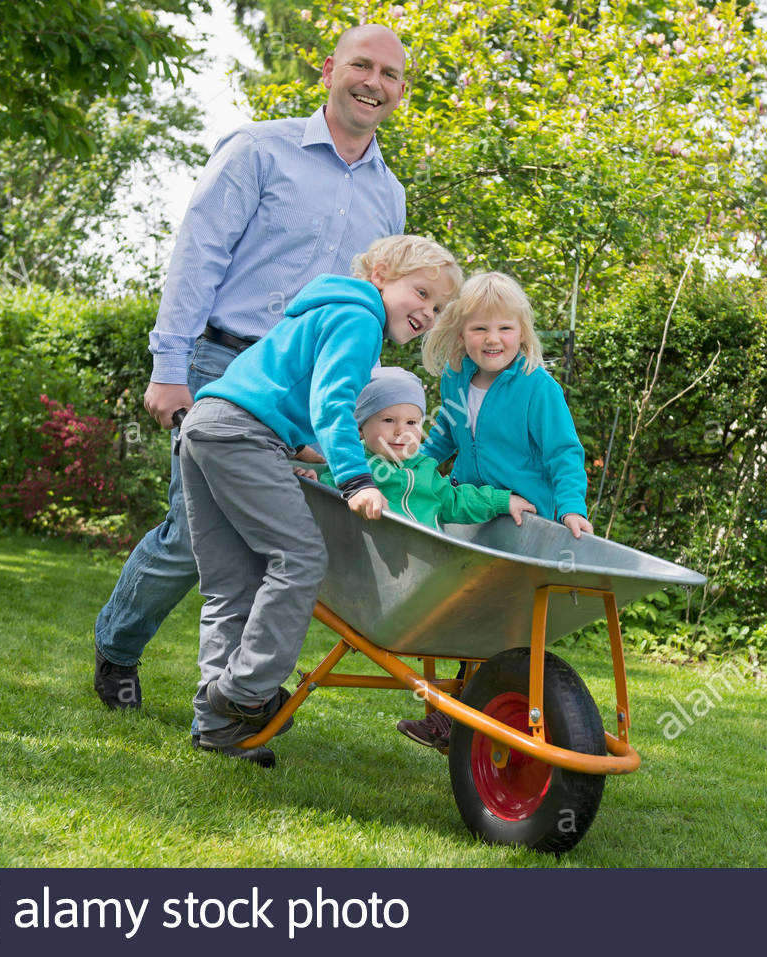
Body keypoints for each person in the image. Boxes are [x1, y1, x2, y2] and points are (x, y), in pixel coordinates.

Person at [93, 23, 410, 711]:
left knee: (267, 549)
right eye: (361, 65)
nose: (373, 83)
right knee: (190, 537)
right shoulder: (258, 150)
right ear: (328, 69)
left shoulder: (391, 196)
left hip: (301, 393)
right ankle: (118, 646)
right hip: (220, 367)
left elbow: (372, 318)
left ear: (400, 92)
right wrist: (168, 365)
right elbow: (198, 254)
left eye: (389, 75)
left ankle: (232, 699)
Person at [179, 234, 462, 766]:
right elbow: (332, 404)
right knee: (301, 557)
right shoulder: (359, 319)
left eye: (438, 307)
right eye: (421, 293)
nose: (428, 312)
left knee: (230, 584)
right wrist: (356, 481)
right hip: (242, 434)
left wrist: (321, 458)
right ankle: (245, 694)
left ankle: (217, 728)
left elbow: (297, 408)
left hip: (208, 424)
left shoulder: (326, 308)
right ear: (379, 272)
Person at [395, 271, 593, 749]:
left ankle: (460, 720)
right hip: (472, 509)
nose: (492, 339)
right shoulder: (457, 381)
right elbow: (443, 438)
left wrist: (569, 508)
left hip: (523, 520)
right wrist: (403, 467)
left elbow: (563, 453)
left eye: (504, 328)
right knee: (469, 613)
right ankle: (458, 719)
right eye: (480, 328)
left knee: (494, 623)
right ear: (460, 332)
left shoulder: (535, 388)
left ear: (522, 332)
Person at [342, 366, 537, 530]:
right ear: (360, 427)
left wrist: (501, 501)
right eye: (388, 420)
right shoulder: (355, 467)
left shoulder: (423, 469)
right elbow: (327, 496)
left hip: (425, 562)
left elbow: (456, 500)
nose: (401, 431)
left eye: (411, 422)